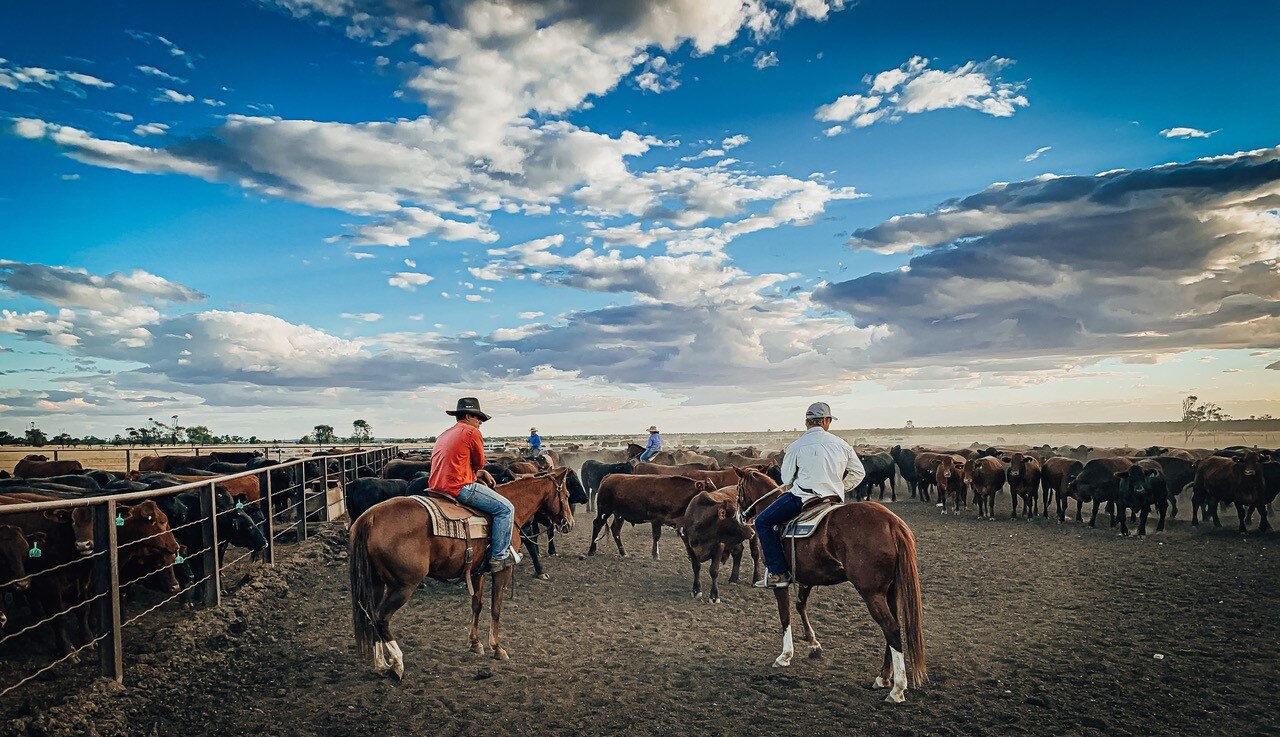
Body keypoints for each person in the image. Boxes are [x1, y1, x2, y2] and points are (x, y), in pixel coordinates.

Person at [753, 402, 865, 588]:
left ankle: (778, 572)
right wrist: (839, 487)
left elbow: (787, 479)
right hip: (834, 499)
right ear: (826, 421)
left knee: (762, 522)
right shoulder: (842, 444)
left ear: (807, 423)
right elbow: (859, 472)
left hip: (803, 498)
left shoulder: (796, 446)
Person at [427, 397, 519, 572]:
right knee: (506, 509)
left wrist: (478, 473)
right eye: (479, 418)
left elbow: (454, 465)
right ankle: (499, 557)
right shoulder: (471, 432)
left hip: (436, 487)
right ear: (468, 416)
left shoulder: (443, 435)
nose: (480, 422)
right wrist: (479, 470)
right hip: (459, 487)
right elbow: (479, 462)